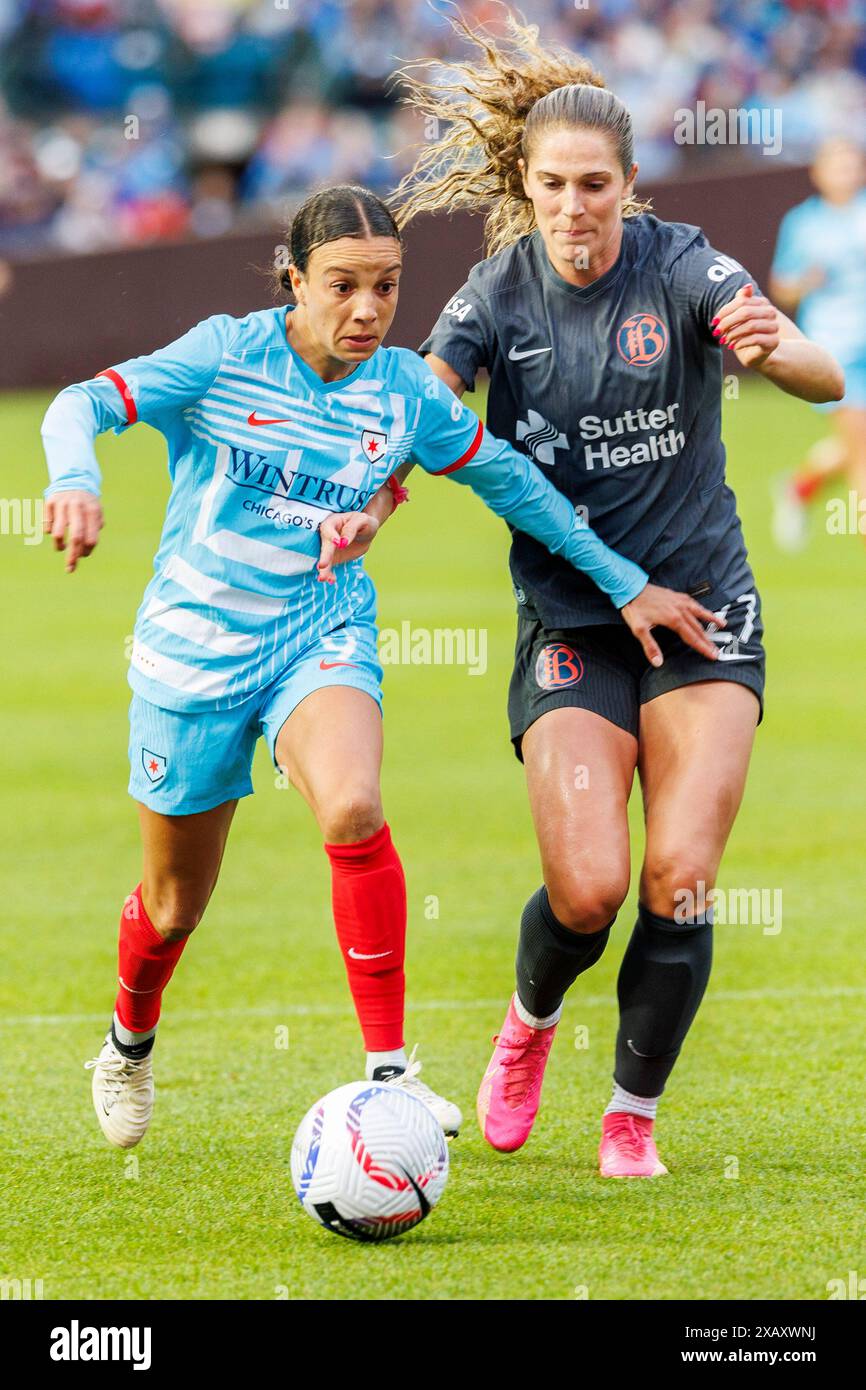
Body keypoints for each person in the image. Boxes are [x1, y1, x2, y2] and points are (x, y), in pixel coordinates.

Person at [40, 183, 715, 1153]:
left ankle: (389, 1075)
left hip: (317, 636)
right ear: (293, 282)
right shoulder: (228, 356)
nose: (366, 310)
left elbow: (512, 483)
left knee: (353, 803)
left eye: (386, 288)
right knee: (173, 902)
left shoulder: (401, 390)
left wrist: (621, 582)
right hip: (193, 653)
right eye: (342, 286)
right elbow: (82, 404)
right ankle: (128, 1039)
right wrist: (74, 477)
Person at [373, 15, 843, 1177]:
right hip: (575, 626)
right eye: (553, 187)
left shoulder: (684, 262)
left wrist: (767, 345)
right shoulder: (493, 296)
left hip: (701, 615)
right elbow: (421, 418)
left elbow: (823, 374)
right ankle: (527, 1024)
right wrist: (367, 500)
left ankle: (629, 1113)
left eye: (595, 185)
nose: (574, 207)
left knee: (679, 877)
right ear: (524, 189)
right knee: (586, 889)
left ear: (628, 185)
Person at [769, 137, 866, 551]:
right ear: (818, 174)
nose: (845, 173)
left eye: (851, 165)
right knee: (862, 450)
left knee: (856, 444)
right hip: (838, 349)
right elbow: (782, 289)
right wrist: (807, 281)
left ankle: (799, 486)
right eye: (836, 166)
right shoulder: (804, 223)